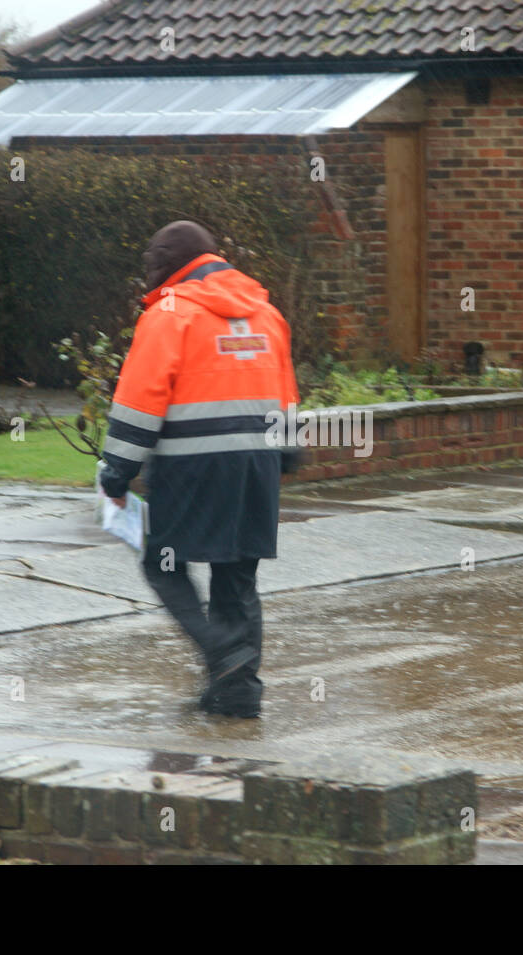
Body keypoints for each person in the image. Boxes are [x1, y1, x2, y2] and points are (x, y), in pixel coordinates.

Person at [97, 220, 301, 719]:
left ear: (166, 264)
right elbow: (286, 391)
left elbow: (140, 401)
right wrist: (288, 456)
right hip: (256, 466)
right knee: (237, 576)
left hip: (194, 467)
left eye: (151, 261)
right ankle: (238, 690)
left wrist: (116, 474)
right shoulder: (265, 312)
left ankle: (224, 654)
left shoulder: (169, 313)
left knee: (162, 564)